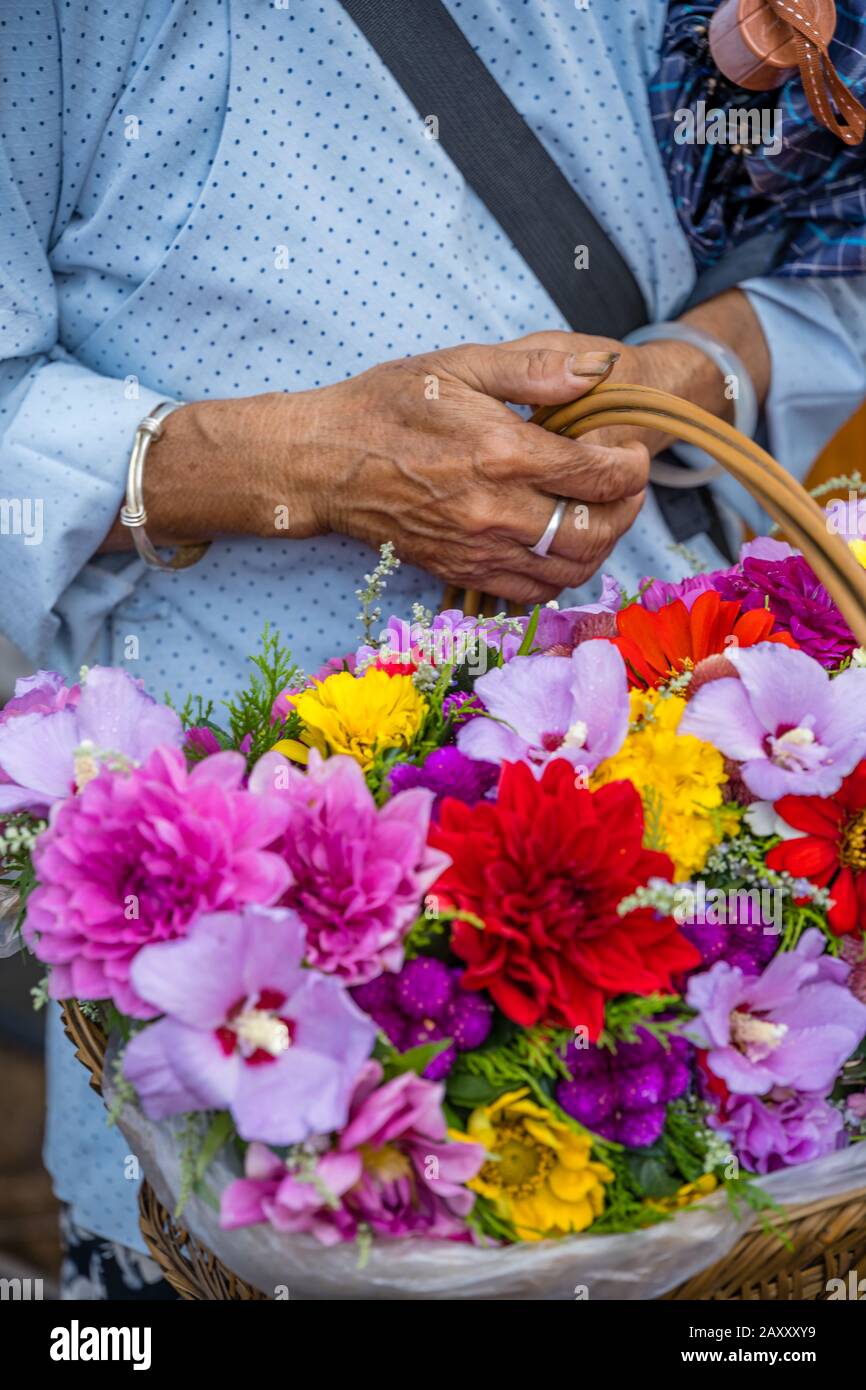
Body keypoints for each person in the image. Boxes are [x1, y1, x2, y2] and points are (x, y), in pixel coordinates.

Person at [1, 0, 865, 1298]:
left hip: (693, 811)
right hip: (252, 882)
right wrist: (305, 466)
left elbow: (827, 256)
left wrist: (693, 372)